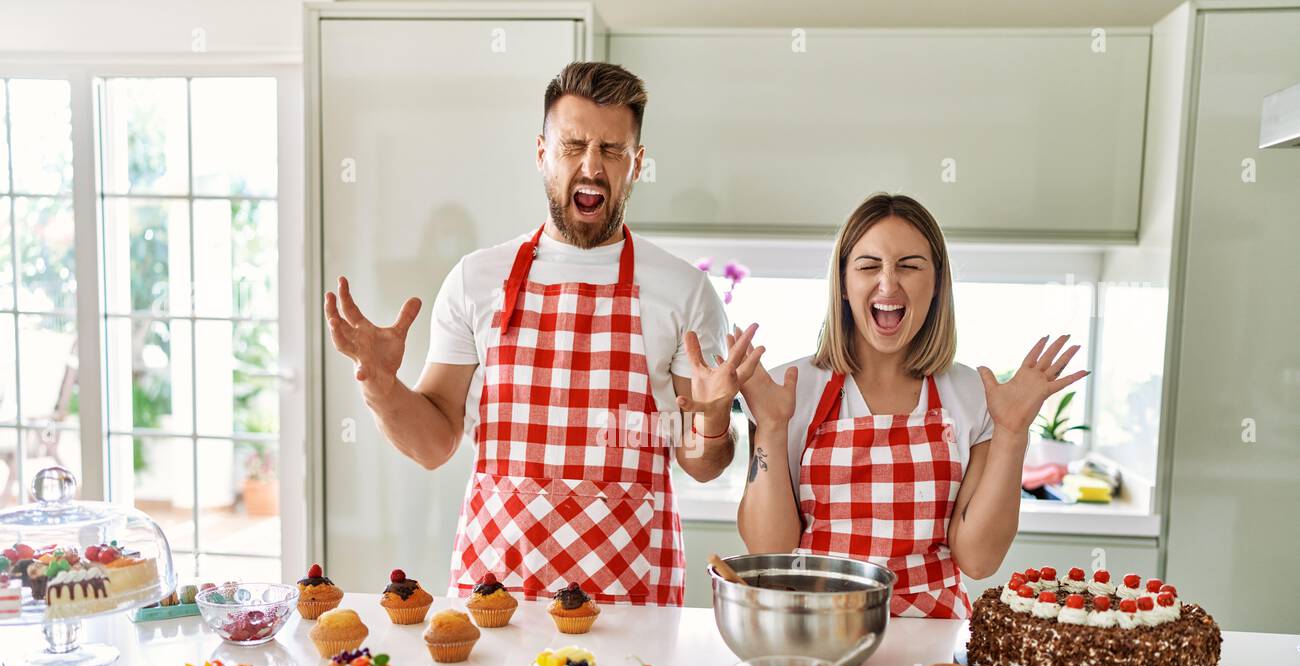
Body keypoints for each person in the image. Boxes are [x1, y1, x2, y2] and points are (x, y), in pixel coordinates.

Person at [324, 61, 762, 606]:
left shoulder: (683, 291)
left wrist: (716, 416)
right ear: (541, 153)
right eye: (573, 145)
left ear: (637, 164)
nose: (592, 166)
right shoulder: (476, 279)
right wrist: (381, 387)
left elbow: (700, 461)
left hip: (630, 597)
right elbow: (435, 443)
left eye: (612, 150)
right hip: (498, 595)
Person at [736, 193, 1088, 617]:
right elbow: (768, 547)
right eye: (868, 266)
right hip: (817, 636)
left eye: (909, 265)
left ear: (937, 282)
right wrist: (772, 427)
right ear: (844, 285)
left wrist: (1012, 433)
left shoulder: (972, 395)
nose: (888, 283)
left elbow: (978, 561)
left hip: (933, 645)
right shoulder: (788, 390)